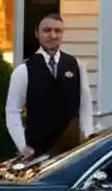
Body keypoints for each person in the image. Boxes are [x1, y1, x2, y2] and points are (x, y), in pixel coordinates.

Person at [5, 12, 93, 160]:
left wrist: (88, 137)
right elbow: (13, 111)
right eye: (47, 30)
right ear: (37, 33)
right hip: (37, 154)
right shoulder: (23, 71)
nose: (53, 35)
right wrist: (22, 146)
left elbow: (85, 105)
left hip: (71, 152)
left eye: (58, 31)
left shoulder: (76, 66)